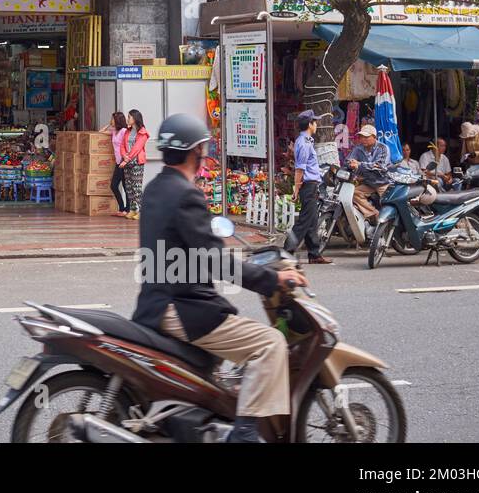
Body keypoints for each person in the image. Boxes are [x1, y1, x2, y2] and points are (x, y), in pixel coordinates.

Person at [132, 113, 306, 444]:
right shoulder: (186, 194)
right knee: (270, 344)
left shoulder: (155, 188)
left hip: (155, 303)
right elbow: (217, 262)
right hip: (182, 308)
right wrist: (273, 280)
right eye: (204, 148)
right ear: (193, 151)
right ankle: (243, 434)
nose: (205, 153)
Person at [284, 110, 332, 265]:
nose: (316, 124)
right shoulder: (304, 143)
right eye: (315, 122)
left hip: (311, 185)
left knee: (312, 220)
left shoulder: (306, 141)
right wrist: (296, 189)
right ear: (310, 124)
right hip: (308, 185)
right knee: (305, 220)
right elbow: (300, 169)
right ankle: (286, 251)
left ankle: (314, 253)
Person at [99, 111, 130, 213]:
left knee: (125, 187)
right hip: (118, 163)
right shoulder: (114, 131)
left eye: (112, 119)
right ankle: (122, 208)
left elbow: (127, 146)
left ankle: (127, 209)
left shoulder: (124, 131)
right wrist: (109, 124)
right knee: (114, 186)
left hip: (124, 162)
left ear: (117, 120)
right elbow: (100, 131)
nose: (111, 120)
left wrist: (124, 160)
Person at [120, 109, 149, 220]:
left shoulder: (143, 132)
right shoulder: (127, 131)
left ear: (135, 118)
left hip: (137, 162)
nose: (127, 119)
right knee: (129, 187)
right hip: (127, 160)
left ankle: (141, 211)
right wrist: (124, 156)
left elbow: (137, 148)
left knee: (137, 187)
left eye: (129, 117)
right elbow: (122, 145)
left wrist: (126, 159)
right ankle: (133, 210)